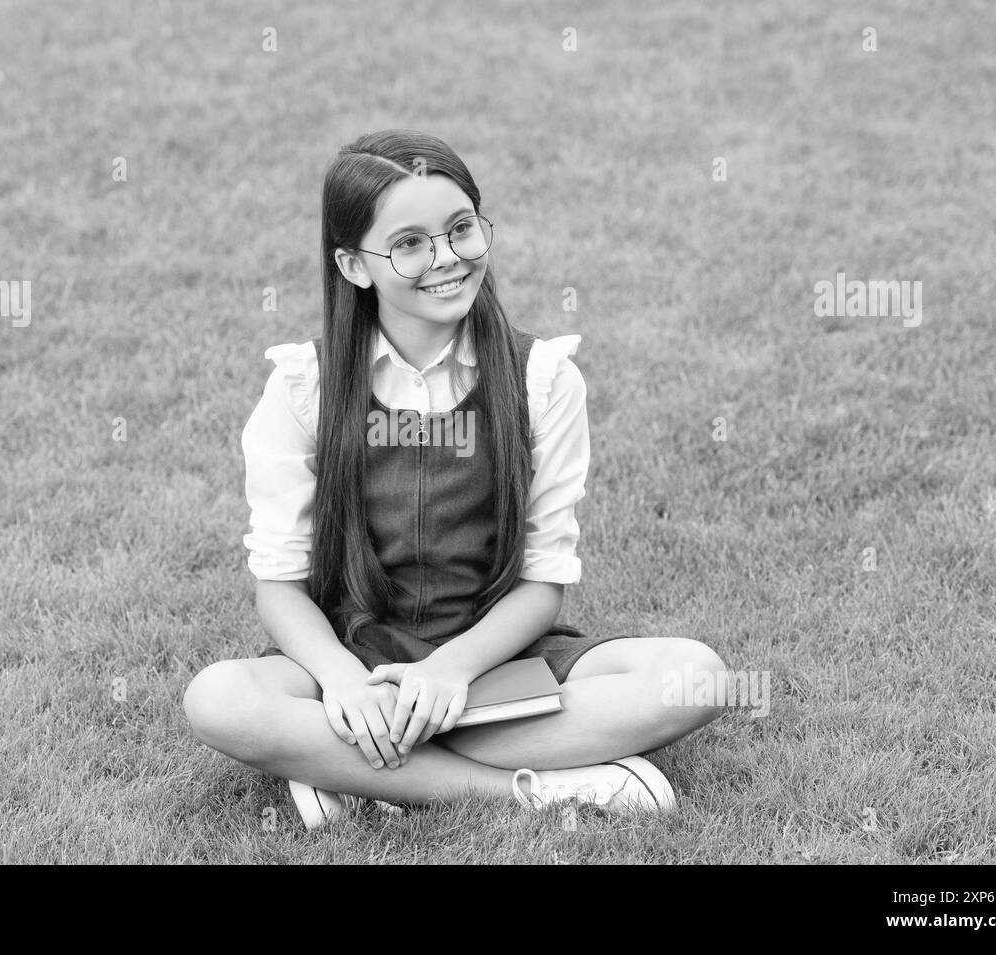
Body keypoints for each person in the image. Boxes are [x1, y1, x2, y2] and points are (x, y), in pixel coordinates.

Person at [184, 129, 728, 829]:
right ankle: (526, 788)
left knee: (698, 676)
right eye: (408, 243)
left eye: (461, 229)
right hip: (355, 659)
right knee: (217, 698)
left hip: (494, 660)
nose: (446, 258)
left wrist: (449, 671)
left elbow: (542, 583)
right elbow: (280, 586)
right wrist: (346, 682)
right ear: (353, 264)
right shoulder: (302, 387)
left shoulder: (544, 380)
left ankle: (352, 767)